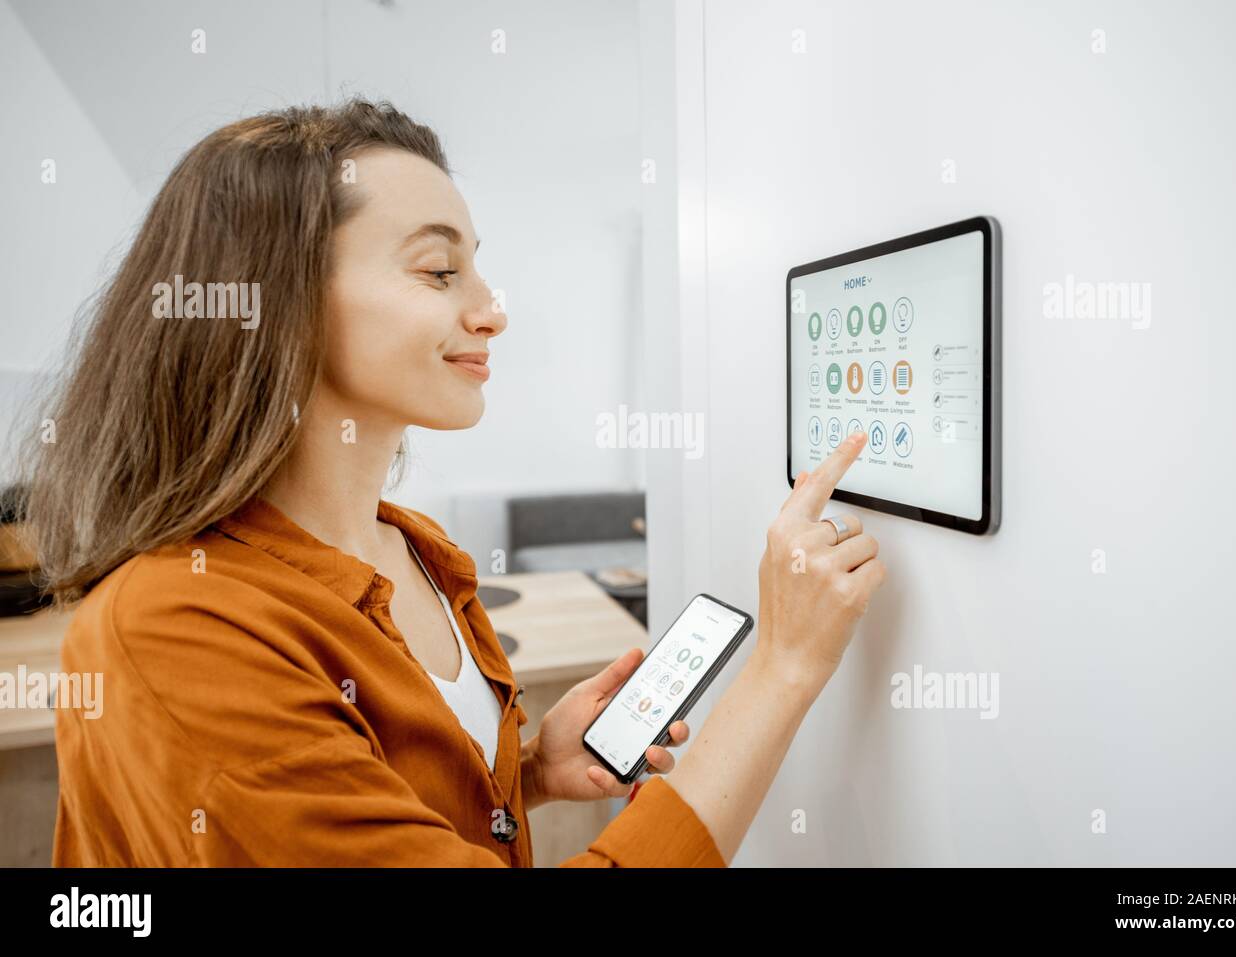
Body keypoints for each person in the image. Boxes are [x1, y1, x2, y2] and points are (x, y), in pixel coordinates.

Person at [22, 99, 886, 867]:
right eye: (440, 272)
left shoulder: (420, 552)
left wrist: (525, 774)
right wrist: (783, 667)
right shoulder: (172, 629)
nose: (492, 308)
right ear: (278, 302)